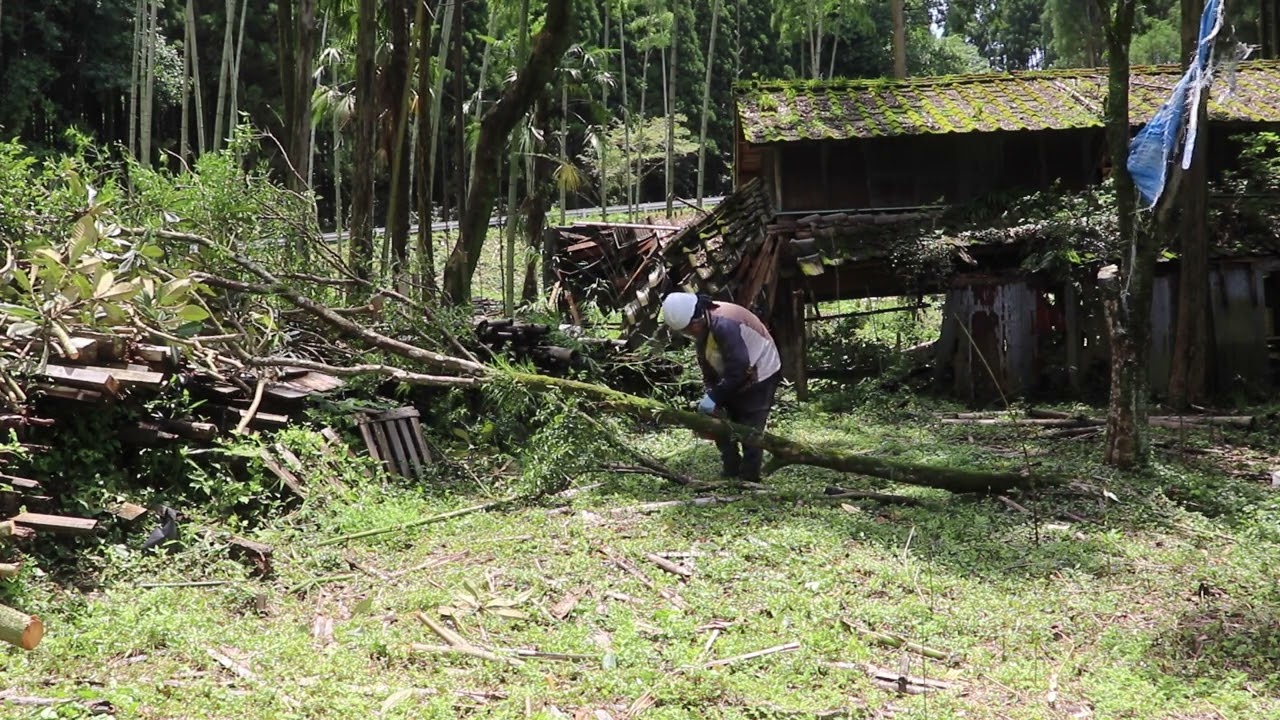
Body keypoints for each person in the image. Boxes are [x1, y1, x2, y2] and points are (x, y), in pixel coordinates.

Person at [660, 292, 782, 481]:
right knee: (719, 421)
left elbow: (739, 369)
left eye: (689, 330)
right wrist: (712, 392)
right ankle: (731, 468)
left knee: (749, 425)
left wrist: (715, 395)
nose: (689, 335)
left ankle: (749, 477)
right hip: (732, 373)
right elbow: (709, 363)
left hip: (760, 372)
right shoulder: (704, 325)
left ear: (696, 321)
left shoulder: (725, 324)